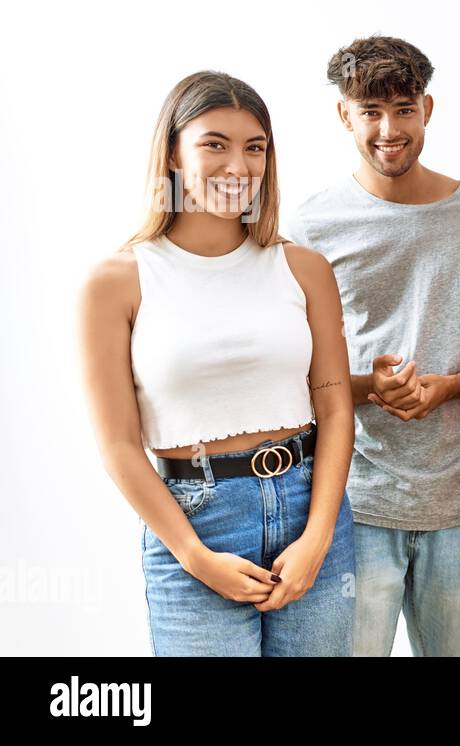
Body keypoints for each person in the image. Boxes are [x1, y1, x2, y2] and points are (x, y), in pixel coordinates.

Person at [78, 71, 355, 655]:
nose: (238, 165)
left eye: (255, 147)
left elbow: (333, 404)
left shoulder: (304, 269)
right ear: (174, 153)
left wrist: (319, 535)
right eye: (214, 144)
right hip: (195, 523)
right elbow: (119, 446)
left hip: (312, 511)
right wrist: (194, 556)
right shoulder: (117, 282)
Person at [285, 36, 460, 657]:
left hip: (459, 492)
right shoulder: (310, 228)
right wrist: (370, 389)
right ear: (345, 115)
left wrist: (449, 386)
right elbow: (289, 363)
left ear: (428, 107)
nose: (389, 129)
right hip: (352, 494)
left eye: (403, 108)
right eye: (370, 111)